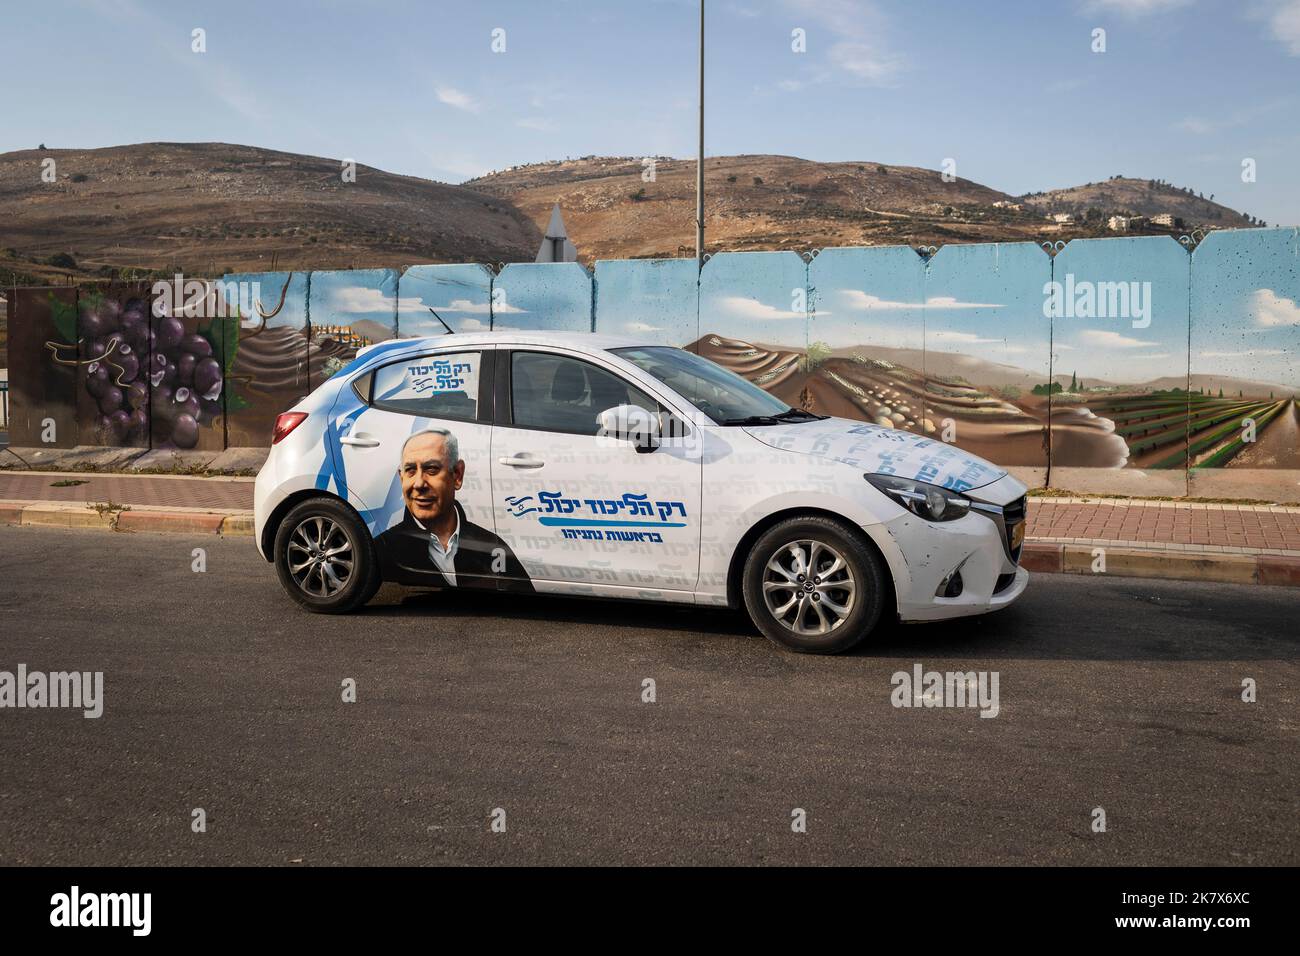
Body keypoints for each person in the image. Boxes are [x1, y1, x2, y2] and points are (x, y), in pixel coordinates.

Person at [375, 428, 533, 592]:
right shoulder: (383, 547)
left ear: (457, 475)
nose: (419, 483)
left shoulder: (493, 545)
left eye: (431, 469)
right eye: (410, 471)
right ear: (401, 478)